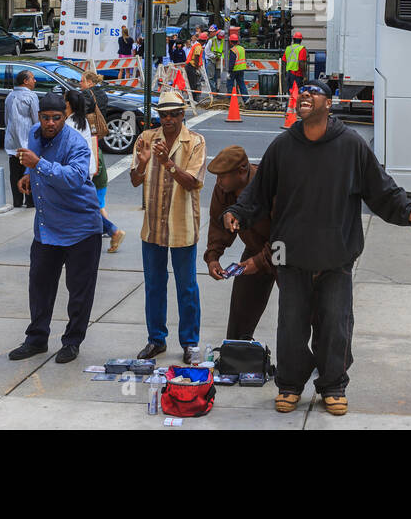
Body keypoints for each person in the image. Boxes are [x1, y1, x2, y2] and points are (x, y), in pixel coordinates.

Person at [225, 80, 411, 415]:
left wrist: (407, 209)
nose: (304, 95)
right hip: (290, 255)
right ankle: (290, 384)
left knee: (335, 325)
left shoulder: (350, 145)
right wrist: (236, 214)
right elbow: (257, 193)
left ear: (328, 104)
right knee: (291, 326)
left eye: (312, 92)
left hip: (336, 255)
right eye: (301, 92)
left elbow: (381, 188)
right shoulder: (283, 146)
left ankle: (333, 385)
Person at [7, 92, 105, 364]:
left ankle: (72, 342)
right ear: (38, 117)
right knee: (39, 286)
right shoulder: (35, 134)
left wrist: (38, 165)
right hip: (47, 228)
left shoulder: (76, 143)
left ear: (65, 117)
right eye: (46, 118)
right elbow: (33, 161)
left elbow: (74, 178)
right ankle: (36, 339)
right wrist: (28, 175)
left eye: (56, 118)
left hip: (81, 228)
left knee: (79, 290)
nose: (50, 123)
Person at [130, 89, 207, 364]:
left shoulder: (195, 142)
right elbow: (135, 181)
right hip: (152, 228)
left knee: (186, 287)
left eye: (174, 114)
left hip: (182, 225)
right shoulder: (146, 139)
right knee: (154, 285)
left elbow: (193, 182)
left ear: (182, 114)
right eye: (164, 115)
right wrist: (141, 165)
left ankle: (189, 342)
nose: (169, 120)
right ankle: (156, 339)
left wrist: (168, 164)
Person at [204, 145, 274, 341]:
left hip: (284, 251)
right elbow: (218, 225)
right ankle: (237, 357)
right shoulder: (223, 188)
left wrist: (259, 261)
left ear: (242, 171)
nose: (218, 181)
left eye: (223, 176)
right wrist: (213, 257)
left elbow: (286, 235)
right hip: (254, 249)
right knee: (240, 313)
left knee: (298, 315)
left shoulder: (269, 185)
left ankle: (312, 365)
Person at [80, 71, 125, 252]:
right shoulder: (103, 94)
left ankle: (113, 230)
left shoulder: (85, 101)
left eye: (82, 81)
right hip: (97, 142)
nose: (80, 84)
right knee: (99, 204)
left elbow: (92, 163)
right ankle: (107, 230)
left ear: (89, 82)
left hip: (94, 165)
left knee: (92, 206)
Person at [5, 69, 40, 209]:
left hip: (12, 142)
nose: (35, 81)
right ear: (25, 81)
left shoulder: (10, 96)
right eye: (32, 78)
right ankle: (30, 201)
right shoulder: (31, 96)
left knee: (15, 173)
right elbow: (36, 120)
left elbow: (6, 120)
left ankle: (17, 201)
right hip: (27, 142)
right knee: (29, 171)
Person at [185, 30, 208, 102]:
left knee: (192, 83)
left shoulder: (196, 45)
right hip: (191, 66)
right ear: (204, 41)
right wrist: (197, 67)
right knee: (193, 84)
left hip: (190, 65)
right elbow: (197, 57)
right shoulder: (198, 47)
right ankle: (193, 99)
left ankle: (192, 98)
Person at [226, 30, 249, 101]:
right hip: (241, 69)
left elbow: (231, 63)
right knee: (241, 84)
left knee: (230, 84)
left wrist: (229, 71)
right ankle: (246, 99)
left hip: (234, 70)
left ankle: (230, 99)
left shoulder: (233, 50)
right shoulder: (242, 48)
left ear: (230, 42)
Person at [207, 29, 225, 93]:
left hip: (219, 60)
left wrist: (220, 57)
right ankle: (213, 91)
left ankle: (217, 89)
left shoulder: (223, 41)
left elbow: (224, 51)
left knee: (218, 76)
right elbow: (207, 52)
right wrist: (214, 56)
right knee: (211, 77)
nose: (220, 39)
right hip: (211, 60)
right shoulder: (211, 41)